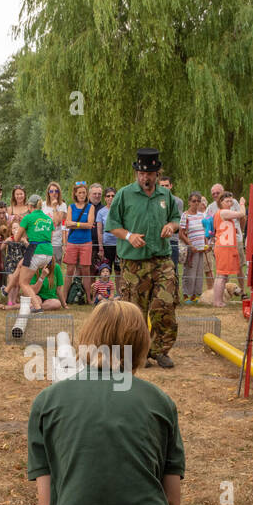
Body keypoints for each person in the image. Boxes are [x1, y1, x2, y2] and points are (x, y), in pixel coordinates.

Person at [0, 300, 211, 505]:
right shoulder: (160, 402)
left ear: (86, 338)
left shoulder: (47, 401)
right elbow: (172, 504)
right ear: (142, 344)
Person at [106, 149, 181, 367]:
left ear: (157, 174)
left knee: (164, 304)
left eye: (149, 174)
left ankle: (160, 351)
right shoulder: (124, 194)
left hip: (162, 259)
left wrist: (170, 226)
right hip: (133, 262)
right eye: (141, 173)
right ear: (136, 173)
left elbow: (176, 219)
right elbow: (112, 225)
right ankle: (136, 352)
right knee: (133, 311)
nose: (145, 178)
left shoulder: (165, 195)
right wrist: (129, 236)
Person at [209, 192, 245, 308]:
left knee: (222, 276)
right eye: (227, 201)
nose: (230, 203)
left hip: (225, 247)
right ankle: (217, 301)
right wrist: (242, 204)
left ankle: (219, 300)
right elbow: (242, 214)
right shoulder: (223, 212)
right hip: (223, 248)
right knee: (221, 275)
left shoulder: (222, 214)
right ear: (220, 202)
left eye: (231, 201)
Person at [63, 182, 96, 300]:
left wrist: (75, 224)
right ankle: (64, 297)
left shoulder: (90, 207)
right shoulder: (71, 207)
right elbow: (67, 224)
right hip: (72, 241)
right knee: (70, 270)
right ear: (75, 194)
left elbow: (90, 225)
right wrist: (81, 224)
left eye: (84, 192)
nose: (82, 195)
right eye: (80, 193)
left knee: (85, 270)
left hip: (86, 242)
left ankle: (88, 298)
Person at [179, 191, 210, 303]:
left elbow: (205, 231)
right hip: (191, 249)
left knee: (199, 273)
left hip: (201, 248)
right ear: (189, 202)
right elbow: (181, 233)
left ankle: (196, 295)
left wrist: (207, 244)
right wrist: (190, 245)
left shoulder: (202, 215)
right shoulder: (185, 215)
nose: (196, 203)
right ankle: (187, 295)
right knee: (189, 273)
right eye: (194, 201)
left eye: (198, 201)